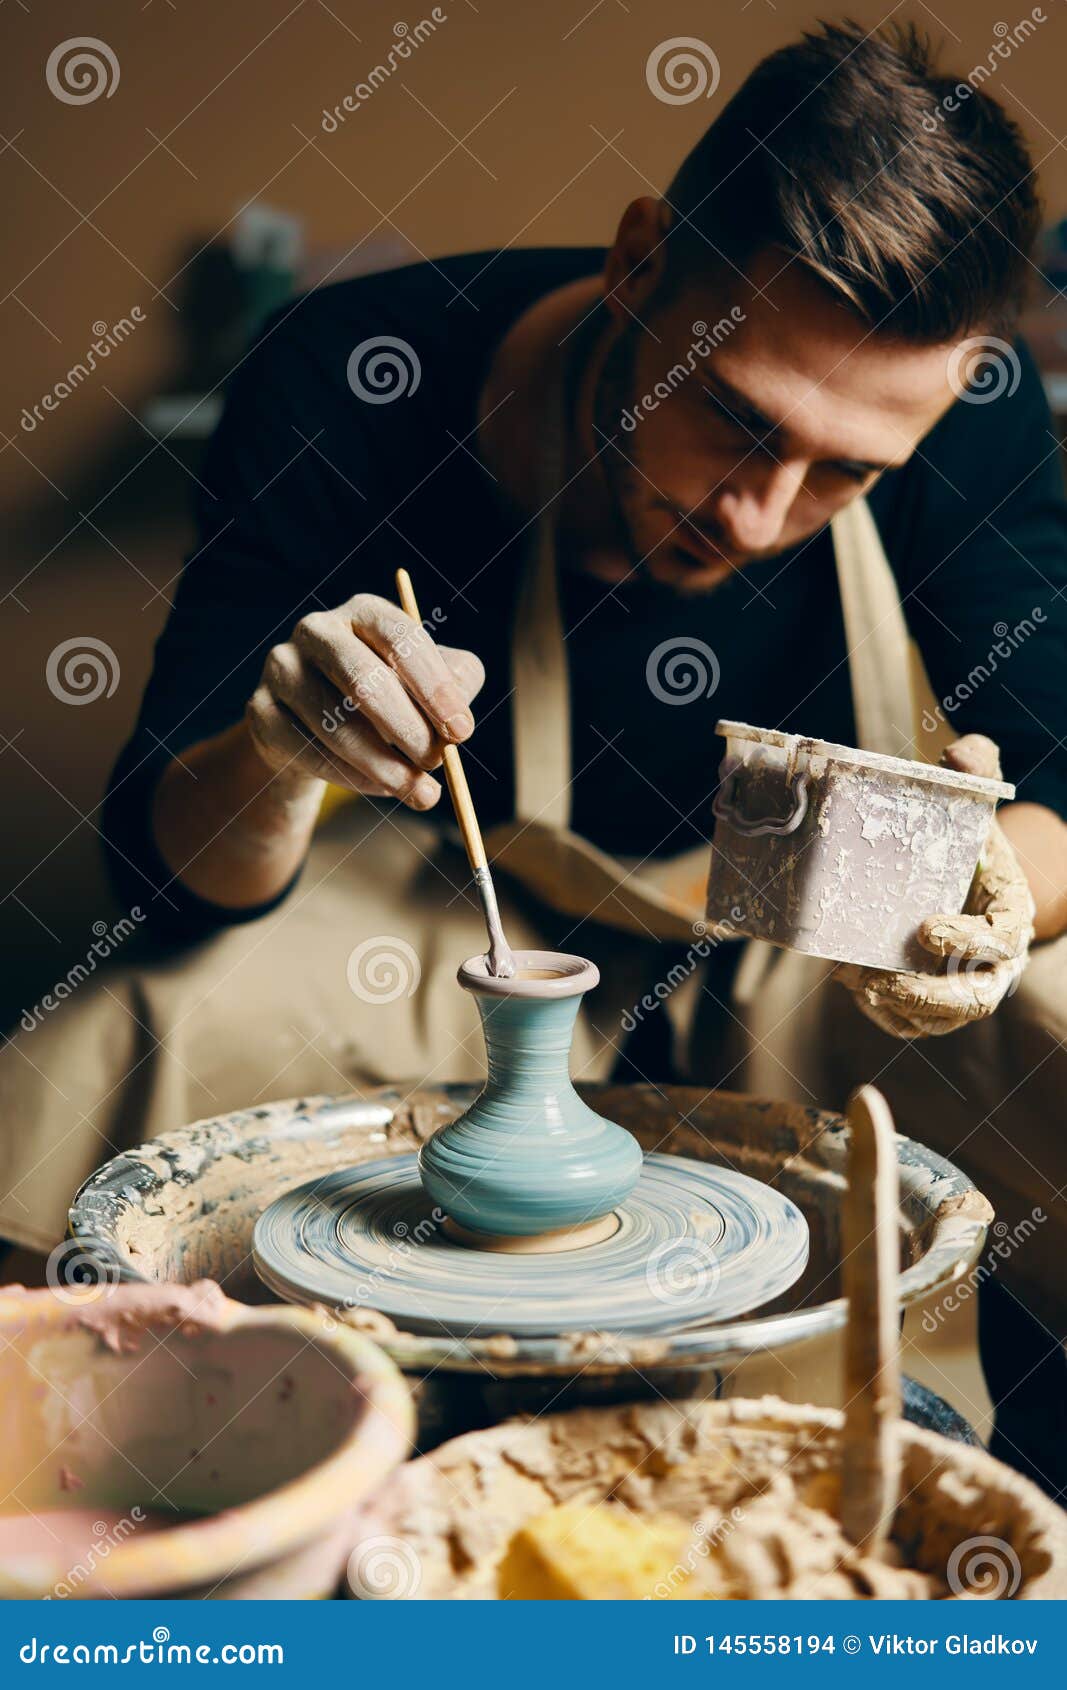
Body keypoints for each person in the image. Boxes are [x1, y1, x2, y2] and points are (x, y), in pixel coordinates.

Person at [2, 23, 1065, 1488]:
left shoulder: (971, 412)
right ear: (640, 260)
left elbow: (1064, 785)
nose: (758, 513)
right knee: (123, 1030)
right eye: (732, 417)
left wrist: (986, 890)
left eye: (845, 472)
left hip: (811, 905)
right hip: (451, 904)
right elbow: (168, 877)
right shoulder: (356, 370)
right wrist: (279, 751)